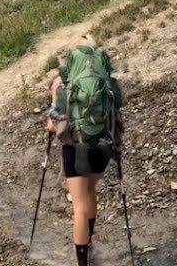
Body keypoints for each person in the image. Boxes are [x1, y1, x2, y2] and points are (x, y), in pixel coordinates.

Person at [46, 45, 122, 266]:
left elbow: (52, 124)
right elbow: (118, 107)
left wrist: (52, 113)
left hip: (75, 148)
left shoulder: (64, 86)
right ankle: (89, 244)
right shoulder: (106, 83)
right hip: (103, 146)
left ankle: (82, 260)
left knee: (79, 206)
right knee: (90, 191)